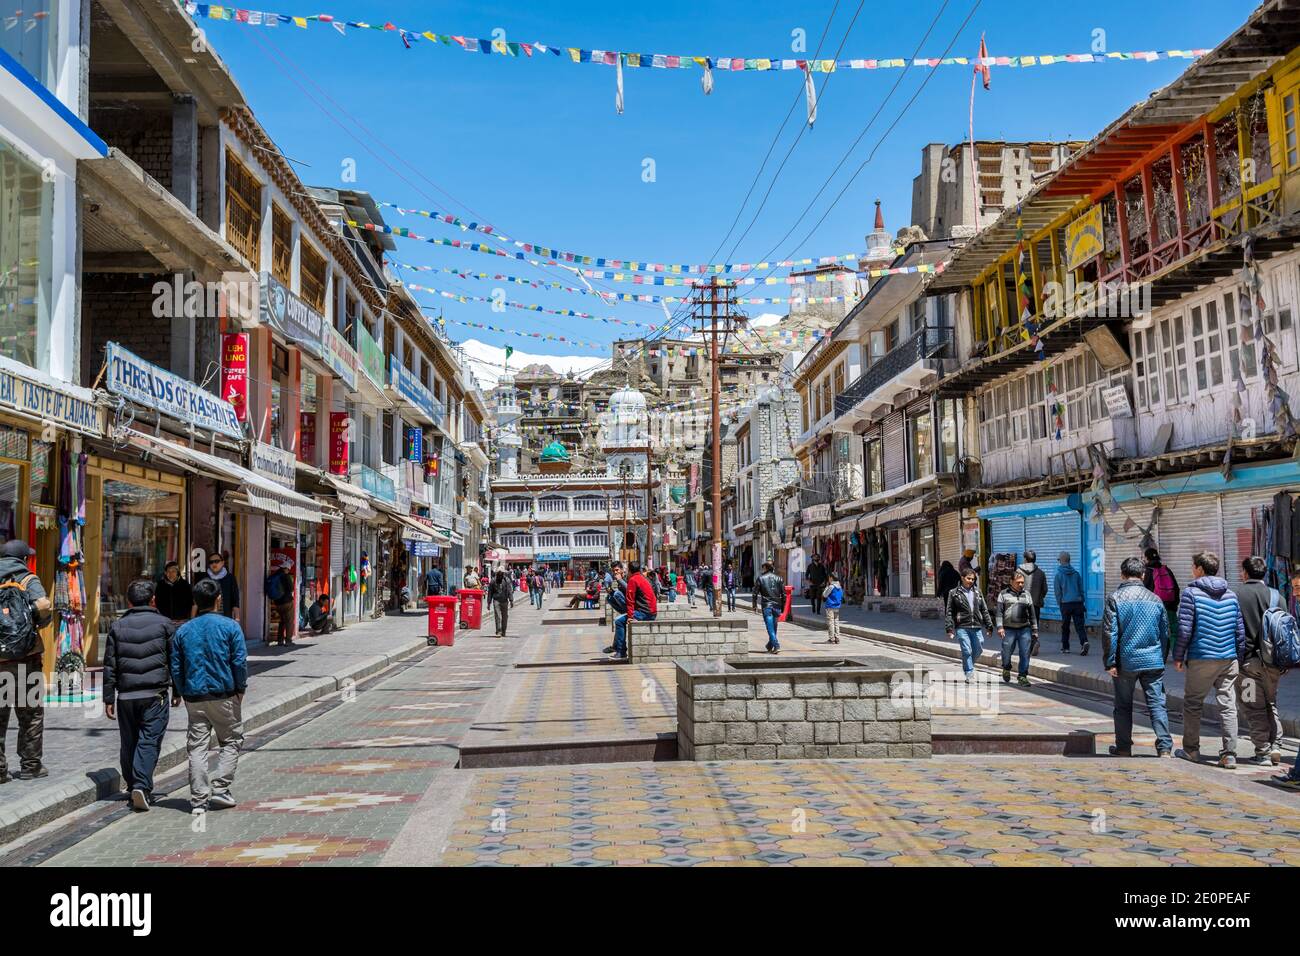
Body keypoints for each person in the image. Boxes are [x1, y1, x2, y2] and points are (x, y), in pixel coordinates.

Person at [171, 577, 247, 814]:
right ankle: (221, 789)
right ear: (219, 599)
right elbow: (239, 662)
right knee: (231, 741)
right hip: (224, 693)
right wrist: (240, 688)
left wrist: (182, 690)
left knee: (197, 747)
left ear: (195, 601)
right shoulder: (231, 627)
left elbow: (175, 666)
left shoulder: (183, 631)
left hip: (194, 696)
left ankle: (198, 799)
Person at [103, 578, 176, 811]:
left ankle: (133, 783)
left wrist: (108, 698)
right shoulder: (165, 624)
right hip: (155, 694)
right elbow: (174, 660)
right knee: (149, 740)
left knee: (129, 742)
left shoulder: (117, 626)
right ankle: (141, 787)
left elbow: (109, 665)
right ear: (153, 599)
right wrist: (179, 690)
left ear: (129, 601)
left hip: (126, 696)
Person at [1174, 551, 1245, 769]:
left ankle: (1191, 750)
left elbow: (1184, 629)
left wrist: (1178, 656)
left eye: (1193, 565)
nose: (1191, 569)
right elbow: (1239, 630)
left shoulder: (1190, 593)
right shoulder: (1231, 594)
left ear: (1200, 569)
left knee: (1193, 704)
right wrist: (1238, 657)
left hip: (1201, 657)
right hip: (1228, 657)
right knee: (1228, 705)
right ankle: (1229, 754)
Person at [1102, 556, 1173, 758]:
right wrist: (1161, 657)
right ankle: (1165, 747)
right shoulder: (1156, 599)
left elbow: (1110, 633)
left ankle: (1123, 747)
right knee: (1157, 704)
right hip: (1153, 661)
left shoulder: (1115, 598)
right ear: (1143, 575)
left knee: (1123, 705)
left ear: (1123, 575)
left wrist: (1110, 661)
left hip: (1127, 662)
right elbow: (1165, 633)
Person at [0, 539, 52, 783]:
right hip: (27, 659)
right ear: (23, 559)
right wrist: (37, 621)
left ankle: (0, 770)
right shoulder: (27, 578)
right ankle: (31, 766)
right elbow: (43, 605)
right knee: (30, 714)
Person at [1232, 556, 1284, 766]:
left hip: (1248, 664)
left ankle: (1262, 750)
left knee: (1253, 707)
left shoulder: (1236, 595)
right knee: (1271, 703)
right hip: (1274, 664)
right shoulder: (1276, 596)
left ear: (1245, 572)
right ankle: (1277, 745)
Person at [945, 568, 993, 683]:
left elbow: (984, 610)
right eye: (968, 578)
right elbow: (949, 611)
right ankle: (969, 672)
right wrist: (949, 628)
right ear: (962, 578)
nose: (971, 581)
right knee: (966, 650)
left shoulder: (977, 592)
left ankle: (968, 663)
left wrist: (989, 626)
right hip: (962, 626)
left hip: (976, 626)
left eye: (973, 579)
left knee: (979, 648)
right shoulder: (954, 593)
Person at [996, 570, 1038, 687]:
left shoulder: (1027, 594)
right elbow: (999, 612)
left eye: (1022, 582)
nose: (1021, 585)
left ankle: (1022, 676)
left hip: (1024, 628)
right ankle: (1006, 667)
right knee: (1007, 652)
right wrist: (1000, 627)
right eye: (1018, 582)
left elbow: (1032, 613)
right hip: (1008, 629)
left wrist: (1035, 630)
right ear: (1011, 581)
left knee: (1025, 653)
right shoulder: (1003, 594)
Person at [611, 562, 657, 660]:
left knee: (619, 621)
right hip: (651, 611)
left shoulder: (633, 580)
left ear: (629, 571)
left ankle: (621, 652)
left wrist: (630, 617)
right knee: (620, 616)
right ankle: (617, 648)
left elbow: (630, 600)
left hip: (645, 613)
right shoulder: (642, 578)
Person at [1142, 547, 1181, 659]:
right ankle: (1177, 655)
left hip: (1154, 607)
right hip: (1170, 606)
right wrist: (1174, 605)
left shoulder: (1147, 572)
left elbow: (1145, 590)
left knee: (1158, 632)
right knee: (1173, 632)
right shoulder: (1166, 570)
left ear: (1146, 558)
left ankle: (1161, 656)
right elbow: (1176, 588)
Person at [1053, 551, 1089, 655]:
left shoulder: (1058, 575)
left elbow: (1058, 592)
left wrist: (1060, 603)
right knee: (1080, 625)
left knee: (1065, 626)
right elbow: (1081, 590)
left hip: (1066, 604)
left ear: (1061, 561)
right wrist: (1082, 601)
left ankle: (1065, 647)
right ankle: (1084, 642)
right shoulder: (1076, 574)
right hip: (1078, 603)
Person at [1018, 549, 1048, 656]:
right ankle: (1034, 642)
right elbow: (1045, 589)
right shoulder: (1041, 573)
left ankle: (1028, 646)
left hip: (1022, 604)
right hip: (1035, 604)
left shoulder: (1018, 572)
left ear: (1025, 559)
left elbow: (1014, 587)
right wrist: (1039, 598)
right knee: (1034, 625)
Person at [195, 551, 240, 623]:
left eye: (216, 561)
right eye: (211, 562)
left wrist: (237, 619)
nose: (214, 564)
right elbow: (197, 601)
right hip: (207, 619)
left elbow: (235, 601)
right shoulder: (204, 578)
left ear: (222, 563)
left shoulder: (230, 578)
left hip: (225, 618)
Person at [755, 562, 785, 654]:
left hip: (767, 605)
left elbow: (754, 593)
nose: (762, 570)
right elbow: (783, 594)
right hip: (777, 605)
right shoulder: (779, 578)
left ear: (766, 568)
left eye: (763, 568)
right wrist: (783, 607)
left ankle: (776, 645)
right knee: (774, 626)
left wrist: (754, 605)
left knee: (770, 627)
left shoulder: (760, 578)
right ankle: (770, 645)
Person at [265, 564, 294, 647]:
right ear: (286, 569)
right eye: (288, 569)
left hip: (278, 603)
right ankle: (288, 640)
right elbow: (291, 588)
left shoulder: (274, 576)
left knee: (282, 621)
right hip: (287, 602)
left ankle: (280, 640)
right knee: (289, 621)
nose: (288, 571)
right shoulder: (285, 576)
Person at [487, 570, 511, 637]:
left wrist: (511, 600)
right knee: (497, 616)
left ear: (503, 574)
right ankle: (498, 631)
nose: (500, 576)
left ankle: (504, 631)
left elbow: (509, 590)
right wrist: (489, 603)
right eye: (499, 574)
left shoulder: (507, 580)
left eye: (501, 574)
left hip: (504, 600)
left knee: (505, 617)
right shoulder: (493, 581)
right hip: (496, 600)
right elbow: (490, 592)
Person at [823, 571, 844, 644]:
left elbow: (825, 595)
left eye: (829, 577)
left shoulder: (831, 586)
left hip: (830, 606)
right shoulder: (840, 587)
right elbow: (841, 596)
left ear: (831, 578)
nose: (828, 579)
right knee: (836, 622)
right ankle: (837, 638)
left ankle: (831, 639)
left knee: (831, 622)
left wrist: (826, 587)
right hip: (837, 606)